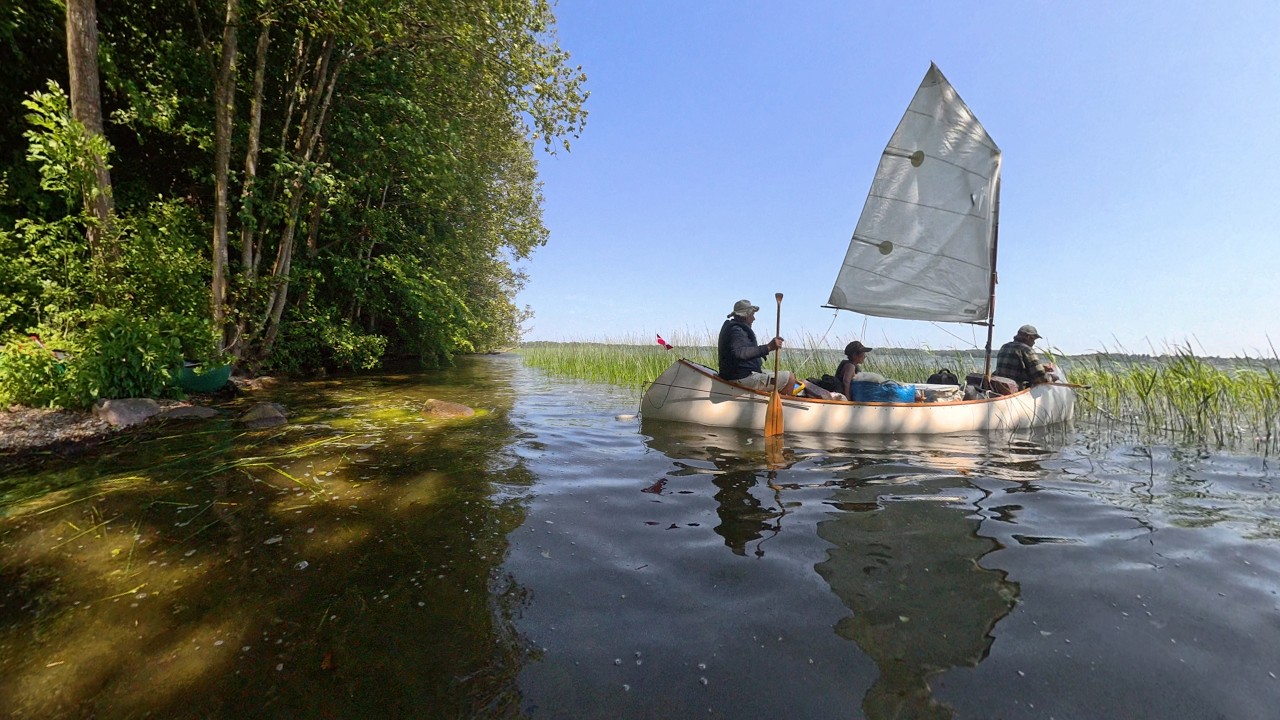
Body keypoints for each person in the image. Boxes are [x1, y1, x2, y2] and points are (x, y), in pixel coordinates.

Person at [717, 299, 797, 393]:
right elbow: (739, 353)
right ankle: (781, 402)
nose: (754, 319)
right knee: (790, 378)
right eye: (752, 315)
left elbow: (743, 351)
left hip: (739, 375)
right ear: (745, 316)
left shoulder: (734, 328)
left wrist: (761, 353)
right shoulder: (736, 331)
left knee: (770, 372)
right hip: (741, 378)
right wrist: (768, 347)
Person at [995, 324, 1055, 388]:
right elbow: (1041, 378)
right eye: (1033, 340)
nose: (1034, 343)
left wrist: (1042, 367)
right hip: (1018, 389)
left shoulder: (1004, 347)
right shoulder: (1027, 350)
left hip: (1000, 388)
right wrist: (1052, 377)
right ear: (1029, 337)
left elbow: (1014, 367)